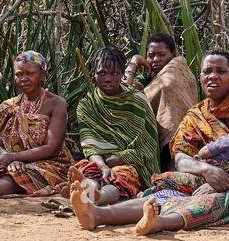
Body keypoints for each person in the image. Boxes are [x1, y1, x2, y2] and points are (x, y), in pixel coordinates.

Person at [72, 50, 229, 233]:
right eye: (206, 72)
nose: (213, 76)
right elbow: (181, 155)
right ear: (199, 77)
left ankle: (160, 223)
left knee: (213, 201)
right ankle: (98, 214)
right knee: (162, 193)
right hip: (203, 177)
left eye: (220, 71)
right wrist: (205, 170)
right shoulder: (196, 114)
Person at [0, 51, 71, 199]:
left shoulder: (56, 104)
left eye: (29, 73)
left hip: (49, 163)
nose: (24, 78)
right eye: (19, 74)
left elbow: (52, 148)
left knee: (13, 178)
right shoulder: (9, 106)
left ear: (43, 74)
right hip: (10, 158)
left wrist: (15, 158)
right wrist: (3, 155)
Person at [69, 46, 165, 205]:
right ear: (93, 74)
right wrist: (102, 165)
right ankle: (87, 192)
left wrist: (118, 159)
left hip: (130, 164)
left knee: (120, 177)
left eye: (114, 73)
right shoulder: (87, 105)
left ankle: (98, 198)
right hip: (99, 160)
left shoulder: (137, 102)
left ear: (122, 74)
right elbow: (90, 145)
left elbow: (147, 147)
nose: (108, 79)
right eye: (102, 73)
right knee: (88, 170)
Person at [123, 34, 198, 170]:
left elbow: (167, 86)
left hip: (184, 139)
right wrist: (134, 62)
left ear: (172, 54)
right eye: (151, 55)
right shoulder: (147, 76)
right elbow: (123, 93)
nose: (156, 59)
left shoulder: (178, 70)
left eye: (161, 54)